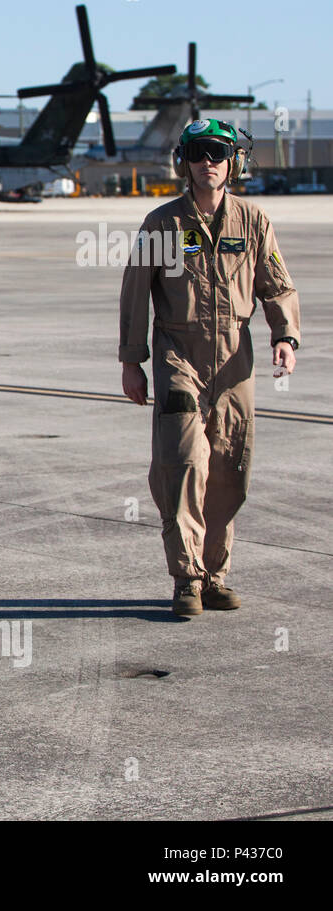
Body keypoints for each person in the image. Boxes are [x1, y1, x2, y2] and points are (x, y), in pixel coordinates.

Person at [119, 118, 300, 617]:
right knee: (182, 466)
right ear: (185, 161)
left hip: (235, 360)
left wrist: (285, 335)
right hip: (179, 354)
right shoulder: (162, 224)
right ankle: (187, 579)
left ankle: (215, 575)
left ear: (234, 162)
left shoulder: (254, 222)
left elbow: (277, 285)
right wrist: (132, 361)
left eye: (217, 154)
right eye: (198, 154)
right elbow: (136, 293)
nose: (207, 163)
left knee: (229, 470)